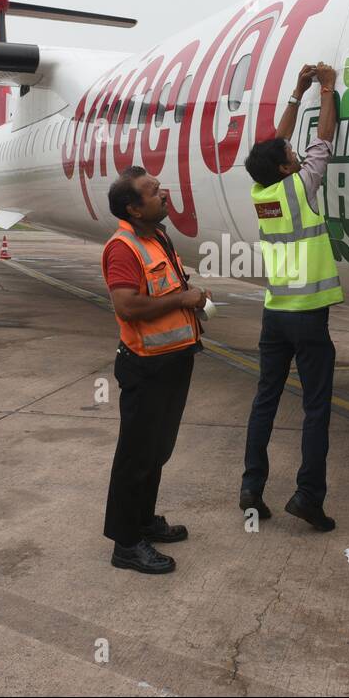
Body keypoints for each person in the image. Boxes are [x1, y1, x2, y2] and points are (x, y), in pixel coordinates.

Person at [240, 62, 344, 531]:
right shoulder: (303, 184)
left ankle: (251, 488)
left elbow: (268, 150)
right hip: (308, 317)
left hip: (275, 313)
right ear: (288, 166)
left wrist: (294, 93)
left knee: (266, 399)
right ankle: (307, 496)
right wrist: (327, 89)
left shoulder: (262, 192)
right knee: (315, 407)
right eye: (291, 152)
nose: (297, 151)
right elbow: (326, 136)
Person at [101, 166, 208, 574]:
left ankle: (143, 521)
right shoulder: (122, 248)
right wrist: (184, 300)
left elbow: (163, 288)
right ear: (133, 207)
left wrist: (189, 295)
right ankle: (126, 543)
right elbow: (127, 305)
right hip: (145, 366)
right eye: (152, 192)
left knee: (157, 451)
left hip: (172, 360)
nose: (163, 194)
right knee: (136, 456)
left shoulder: (157, 235)